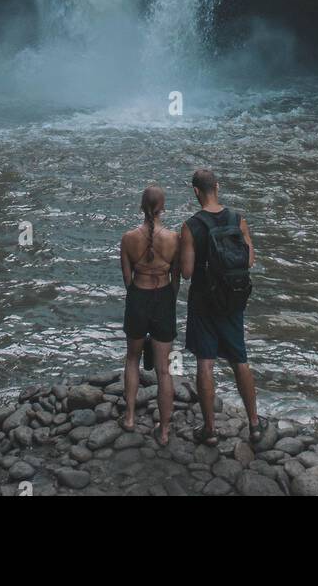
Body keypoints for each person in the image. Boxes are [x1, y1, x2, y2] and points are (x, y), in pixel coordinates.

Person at [180, 167, 266, 447]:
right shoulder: (238, 219)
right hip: (233, 299)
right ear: (217, 186)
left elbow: (187, 273)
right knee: (239, 359)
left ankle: (210, 430)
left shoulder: (191, 226)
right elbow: (250, 260)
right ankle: (254, 424)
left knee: (205, 362)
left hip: (204, 300)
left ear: (195, 192)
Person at [120, 184, 180, 444]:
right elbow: (176, 279)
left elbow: (127, 279)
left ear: (141, 207)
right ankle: (164, 431)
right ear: (163, 208)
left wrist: (138, 293)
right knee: (164, 369)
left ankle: (130, 416)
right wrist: (168, 298)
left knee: (132, 358)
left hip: (138, 298)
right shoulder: (174, 238)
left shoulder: (128, 238)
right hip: (163, 299)